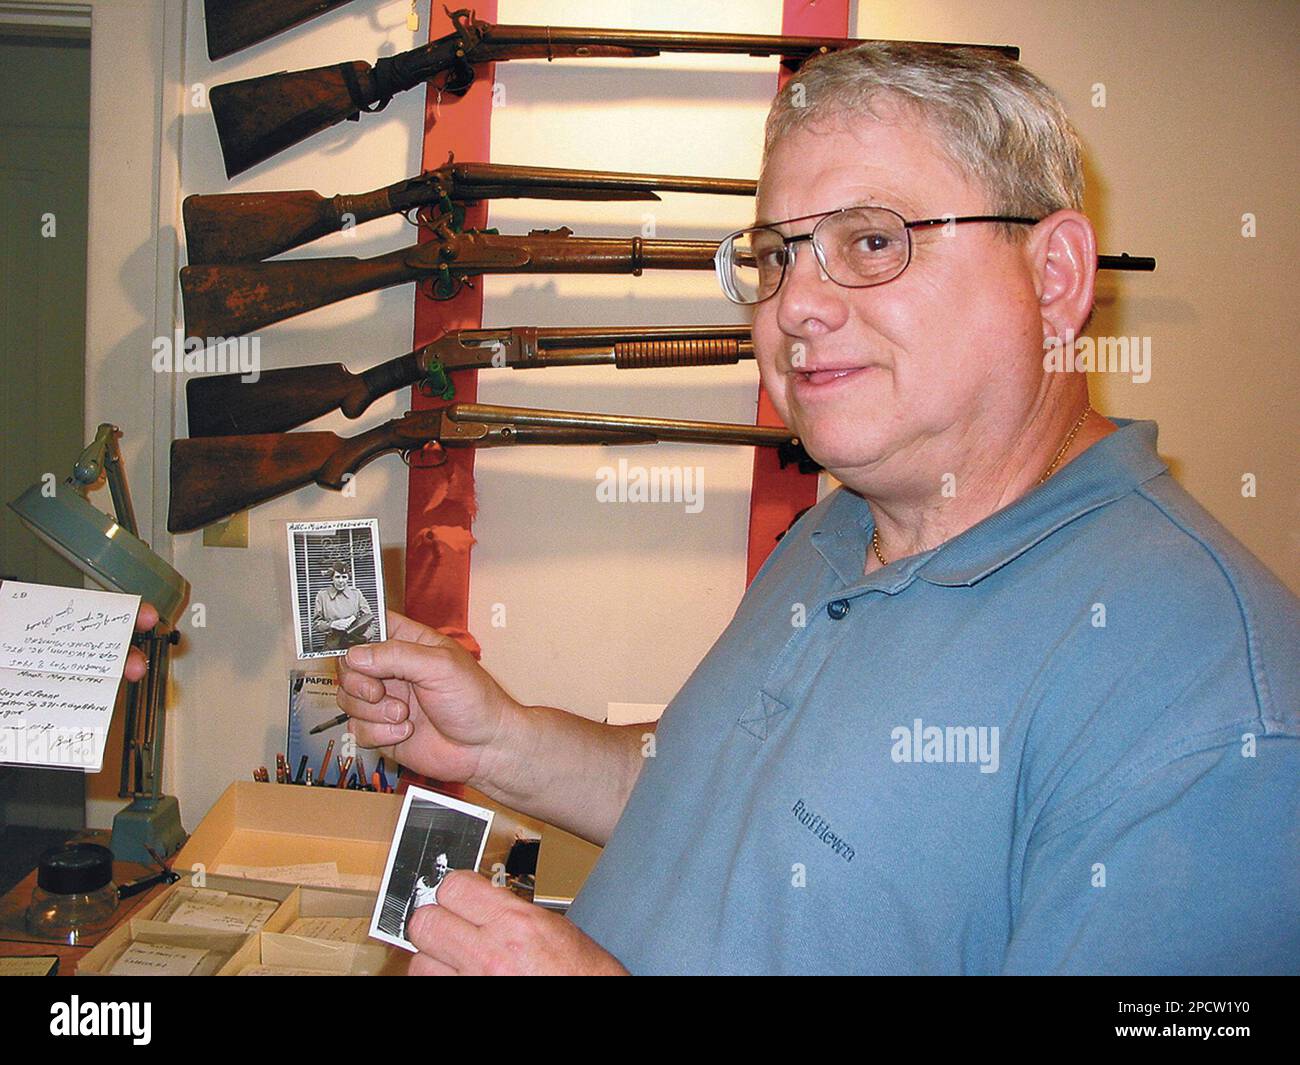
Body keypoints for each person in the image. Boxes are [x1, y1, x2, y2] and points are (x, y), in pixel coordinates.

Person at [140, 43, 1297, 975]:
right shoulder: (851, 517)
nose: (797, 307)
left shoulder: (1212, 705)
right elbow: (698, 797)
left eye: (870, 243)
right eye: (776, 255)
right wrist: (500, 741)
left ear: (1053, 277)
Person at [311, 562, 374, 652]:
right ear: (332, 578)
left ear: (348, 578)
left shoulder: (356, 594)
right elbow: (316, 624)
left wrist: (364, 637)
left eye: (344, 577)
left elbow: (369, 619)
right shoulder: (322, 596)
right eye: (337, 577)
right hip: (333, 646)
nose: (341, 581)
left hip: (355, 646)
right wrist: (332, 624)